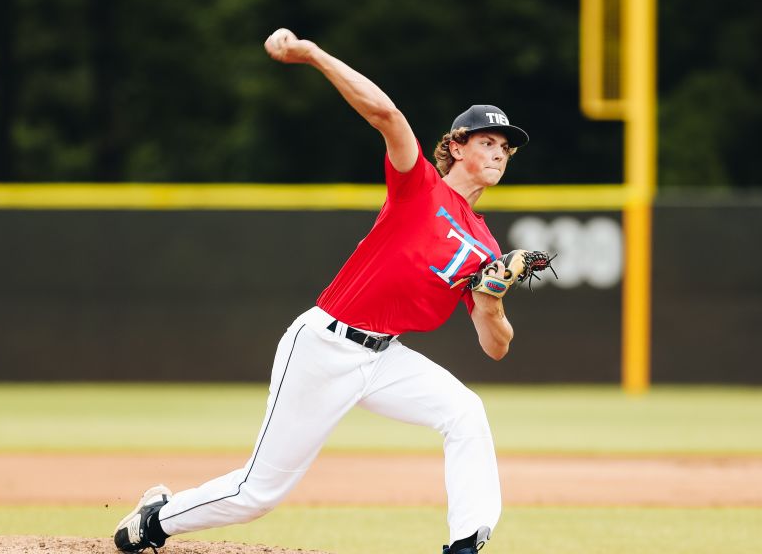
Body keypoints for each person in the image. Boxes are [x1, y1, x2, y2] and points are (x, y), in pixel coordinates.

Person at [113, 28, 530, 554]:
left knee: (465, 411)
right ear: (455, 146)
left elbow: (496, 346)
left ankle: (465, 544)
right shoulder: (420, 186)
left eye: (505, 147)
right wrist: (312, 55)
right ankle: (155, 520)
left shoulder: (486, 245)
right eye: (487, 141)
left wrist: (491, 301)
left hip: (385, 358)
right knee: (257, 493)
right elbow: (386, 115)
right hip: (325, 345)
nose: (498, 153)